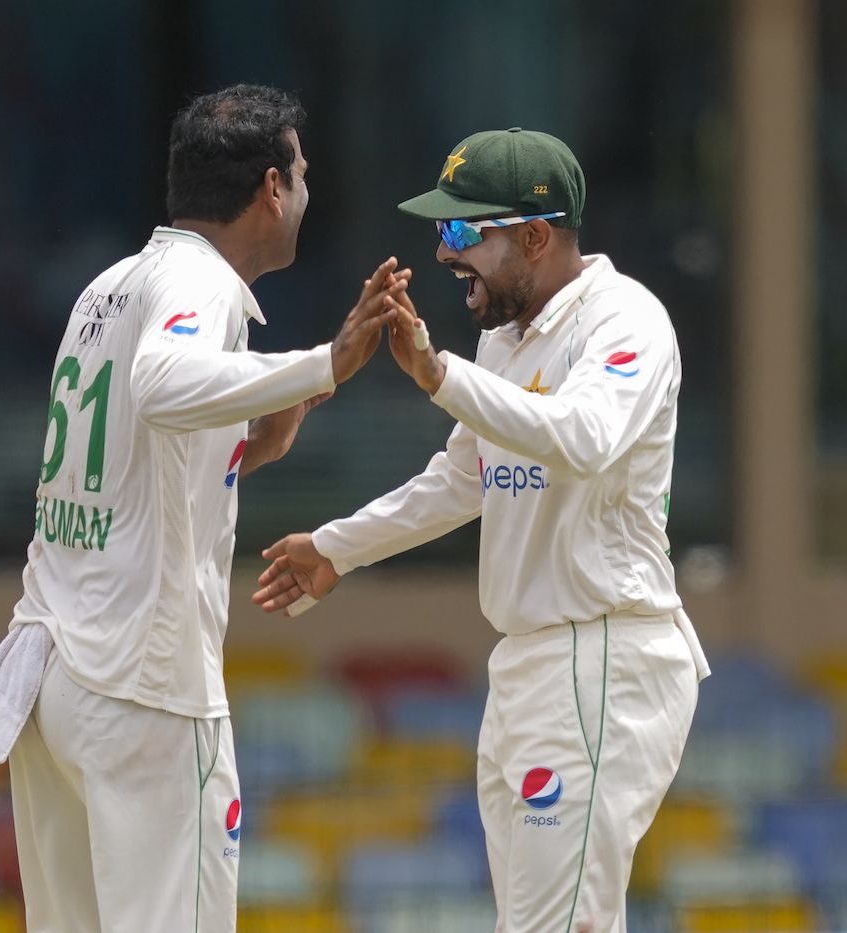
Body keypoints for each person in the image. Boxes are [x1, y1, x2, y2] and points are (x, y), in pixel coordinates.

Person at [0, 85, 402, 933]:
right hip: (143, 686)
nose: (306, 194)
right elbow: (163, 383)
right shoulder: (205, 285)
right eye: (302, 174)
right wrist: (325, 363)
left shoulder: (109, 286)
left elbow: (141, 454)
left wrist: (258, 441)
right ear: (272, 187)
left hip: (58, 674)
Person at [252, 127, 711, 933]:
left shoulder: (625, 321)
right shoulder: (505, 339)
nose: (444, 253)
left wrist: (438, 374)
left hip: (602, 654)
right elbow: (462, 477)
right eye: (441, 232)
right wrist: (337, 547)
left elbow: (584, 437)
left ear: (535, 236)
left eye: (466, 233)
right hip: (530, 661)